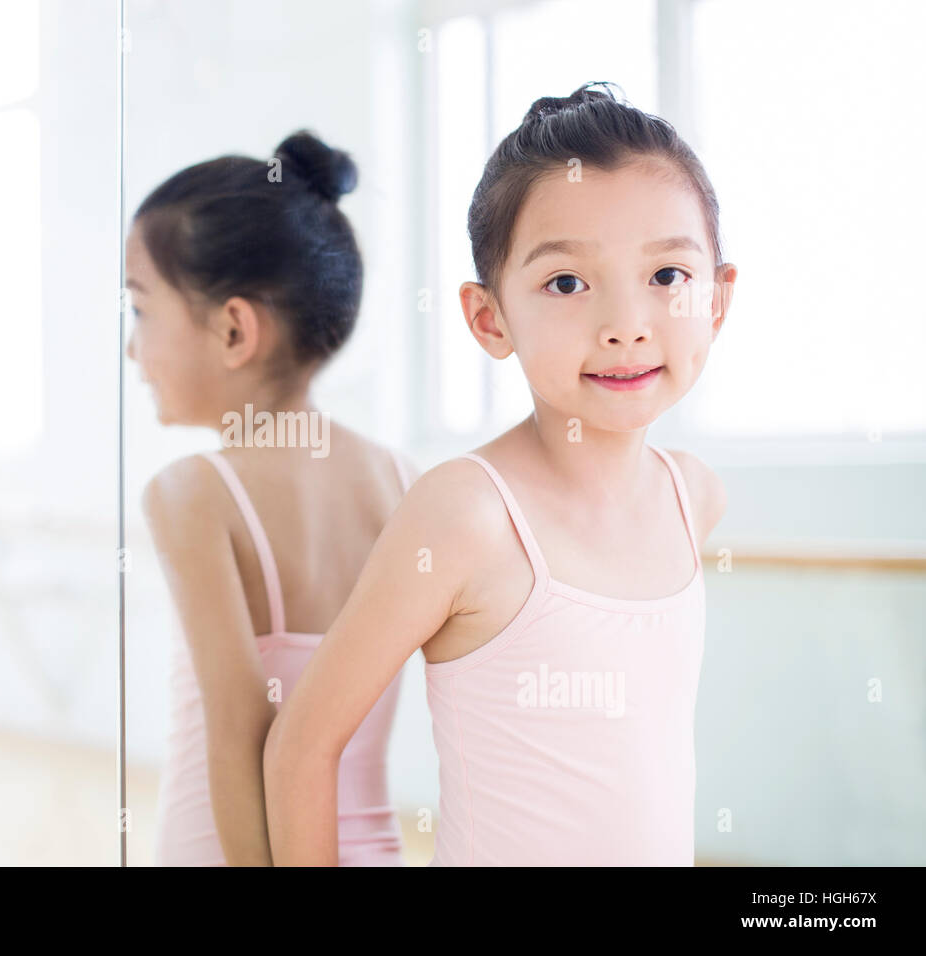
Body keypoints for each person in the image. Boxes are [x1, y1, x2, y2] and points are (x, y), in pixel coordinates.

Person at [265, 83, 738, 866]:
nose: (626, 324)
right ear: (490, 319)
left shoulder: (695, 497)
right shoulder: (466, 515)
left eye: (667, 276)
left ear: (717, 301)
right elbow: (301, 749)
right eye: (565, 283)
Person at [127, 130, 412, 866]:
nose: (133, 349)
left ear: (232, 328)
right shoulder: (401, 482)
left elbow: (239, 728)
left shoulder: (192, 493)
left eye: (141, 309)